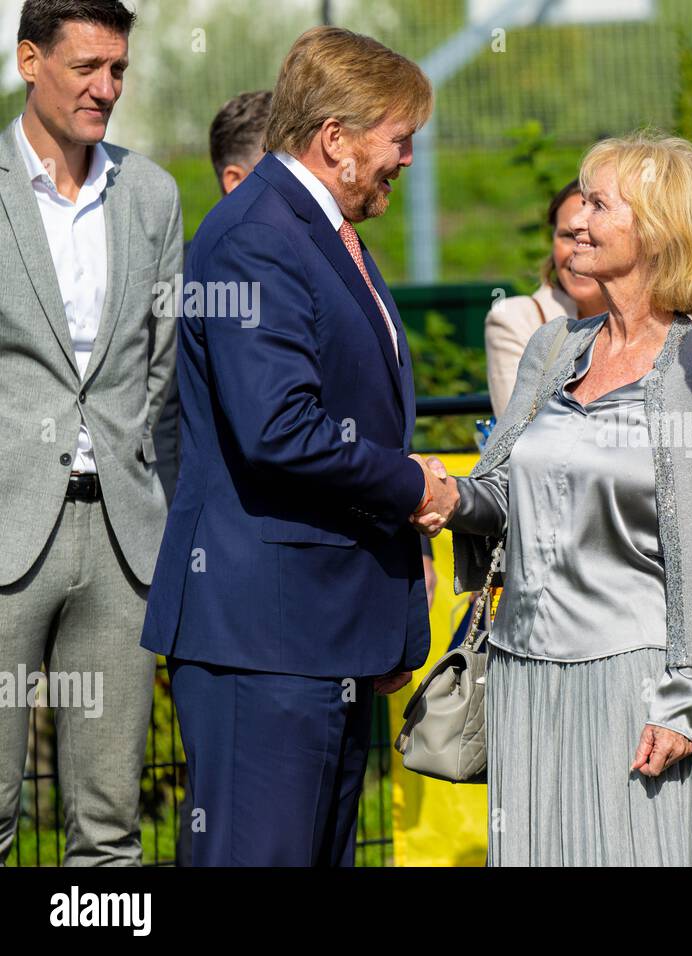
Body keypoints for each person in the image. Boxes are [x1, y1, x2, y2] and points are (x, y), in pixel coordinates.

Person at [140, 26, 441, 866]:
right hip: (265, 637)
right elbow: (279, 431)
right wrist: (414, 485)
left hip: (318, 632)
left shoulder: (313, 229)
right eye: (399, 138)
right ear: (335, 139)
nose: (407, 159)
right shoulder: (256, 236)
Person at [416, 130, 692, 866]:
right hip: (524, 670)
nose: (576, 224)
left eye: (599, 204)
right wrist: (445, 495)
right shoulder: (554, 346)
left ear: (655, 230)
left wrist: (682, 699)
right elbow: (500, 489)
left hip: (635, 684)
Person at [0, 0, 182, 866]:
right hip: (4, 531)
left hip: (122, 539)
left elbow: (163, 364)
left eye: (118, 70)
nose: (106, 88)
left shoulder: (150, 193)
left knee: (109, 833)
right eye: (86, 69)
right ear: (29, 61)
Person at [153, 89, 272, 506]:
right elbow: (161, 419)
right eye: (279, 171)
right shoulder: (183, 283)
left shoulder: (331, 258)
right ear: (235, 181)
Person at [484, 178, 606, 416]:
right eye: (567, 236)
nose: (577, 249)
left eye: (592, 235)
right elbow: (518, 436)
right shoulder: (513, 320)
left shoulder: (665, 319)